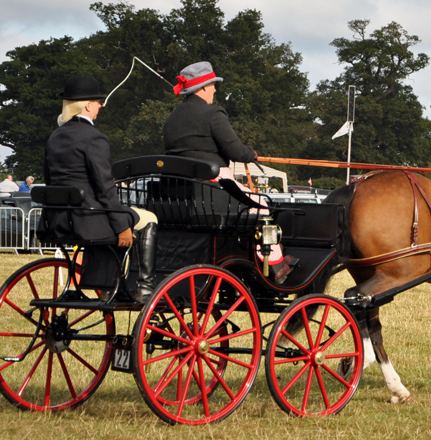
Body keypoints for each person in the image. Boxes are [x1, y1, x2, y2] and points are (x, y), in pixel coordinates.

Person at [164, 61, 294, 283]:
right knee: (263, 204)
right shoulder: (212, 113)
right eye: (213, 85)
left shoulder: (171, 118)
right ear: (204, 87)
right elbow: (235, 150)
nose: (215, 89)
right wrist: (250, 153)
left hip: (178, 193)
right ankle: (274, 265)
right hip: (211, 188)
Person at [41, 75, 159, 303]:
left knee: (114, 215)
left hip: (58, 221)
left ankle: (108, 286)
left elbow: (50, 180)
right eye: (97, 102)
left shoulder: (54, 137)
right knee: (149, 218)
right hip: (88, 220)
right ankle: (144, 289)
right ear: (87, 105)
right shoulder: (95, 138)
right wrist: (121, 225)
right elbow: (105, 189)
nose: (100, 106)